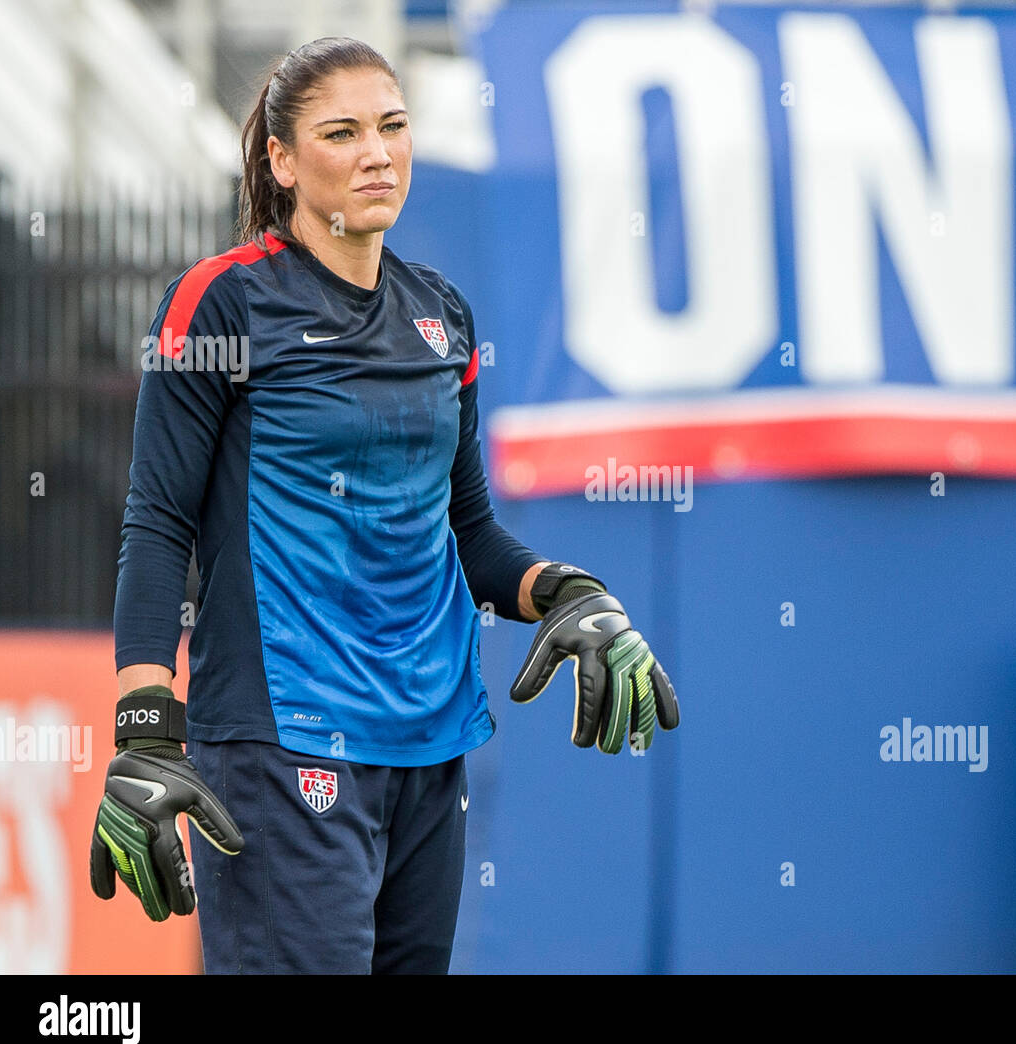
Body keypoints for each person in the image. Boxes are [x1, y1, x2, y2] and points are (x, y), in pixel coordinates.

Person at [89, 36, 679, 975]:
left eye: (393, 127)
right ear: (282, 160)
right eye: (343, 132)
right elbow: (158, 522)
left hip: (427, 746)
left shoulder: (441, 315)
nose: (378, 152)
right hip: (283, 746)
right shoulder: (221, 304)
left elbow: (470, 534)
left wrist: (568, 592)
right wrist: (145, 728)